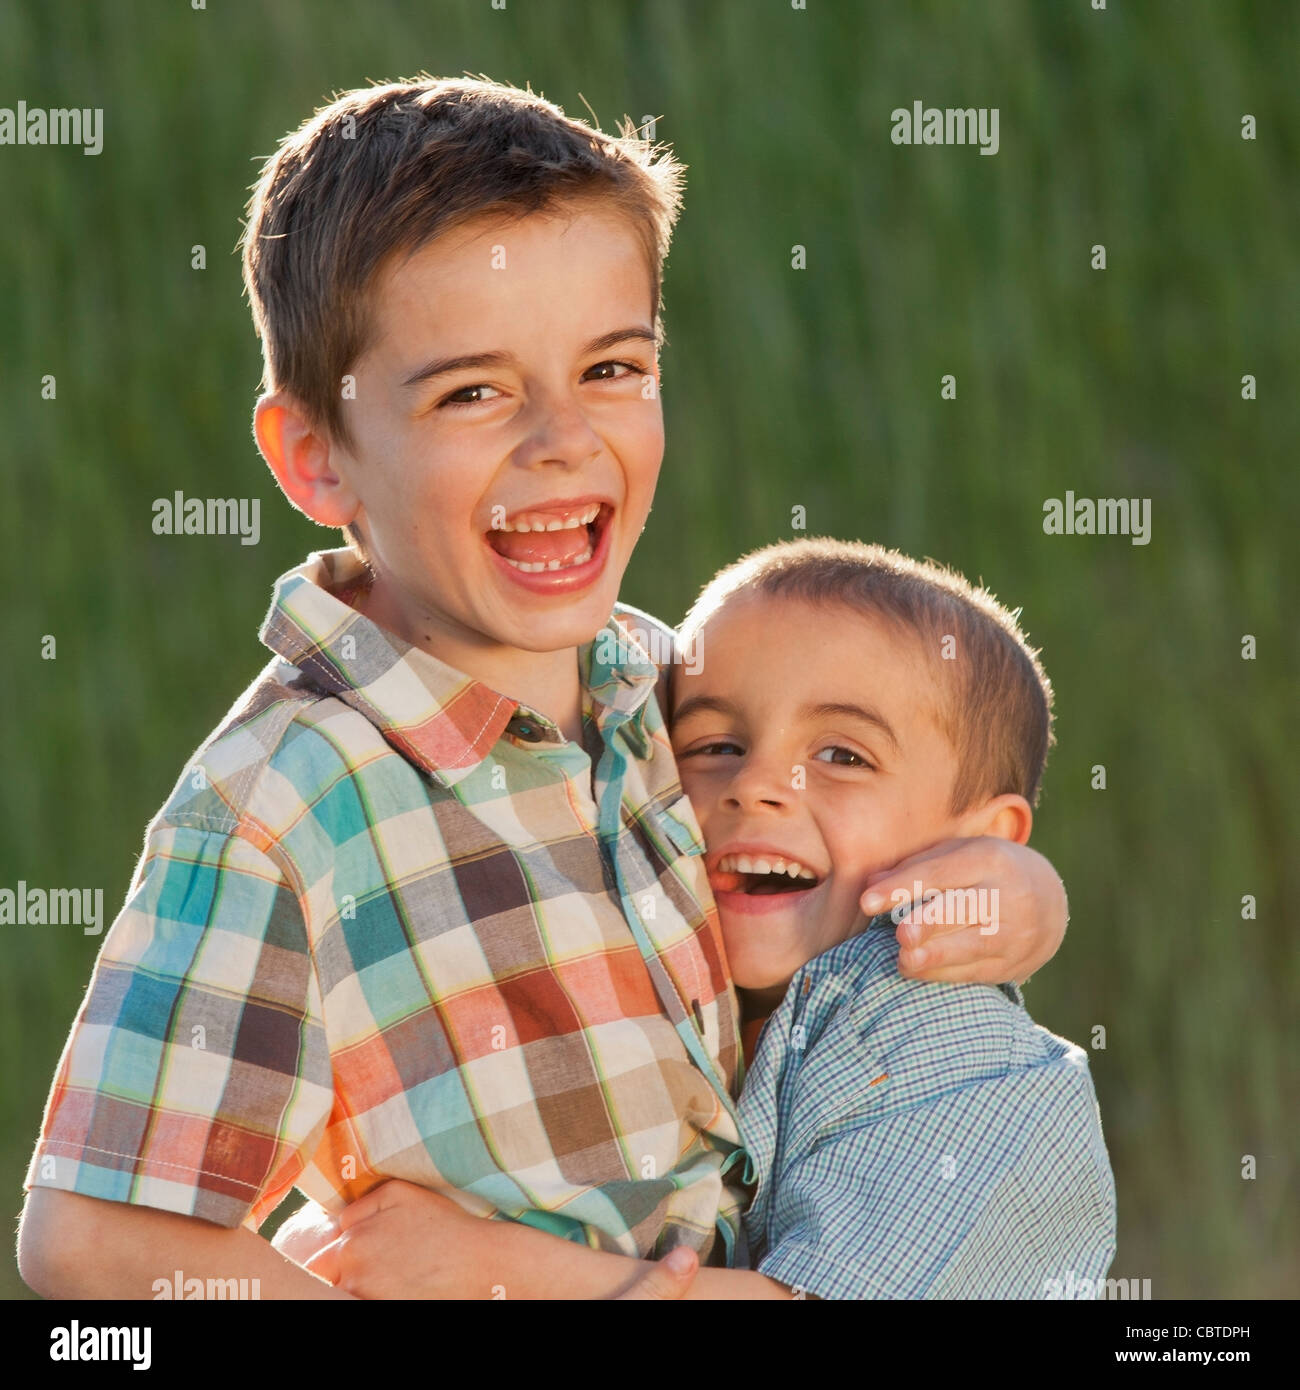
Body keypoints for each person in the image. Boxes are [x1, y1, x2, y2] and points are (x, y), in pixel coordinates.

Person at [17, 78, 1069, 1300]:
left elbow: (821, 891)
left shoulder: (665, 698)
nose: (563, 439)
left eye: (612, 368)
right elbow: (94, 1242)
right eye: (473, 391)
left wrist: (1024, 896)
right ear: (317, 457)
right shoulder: (283, 809)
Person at [278, 540, 1113, 1299]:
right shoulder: (666, 978)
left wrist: (476, 1268)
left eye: (842, 756)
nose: (755, 785)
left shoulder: (974, 1060)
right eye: (715, 745)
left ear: (979, 844)